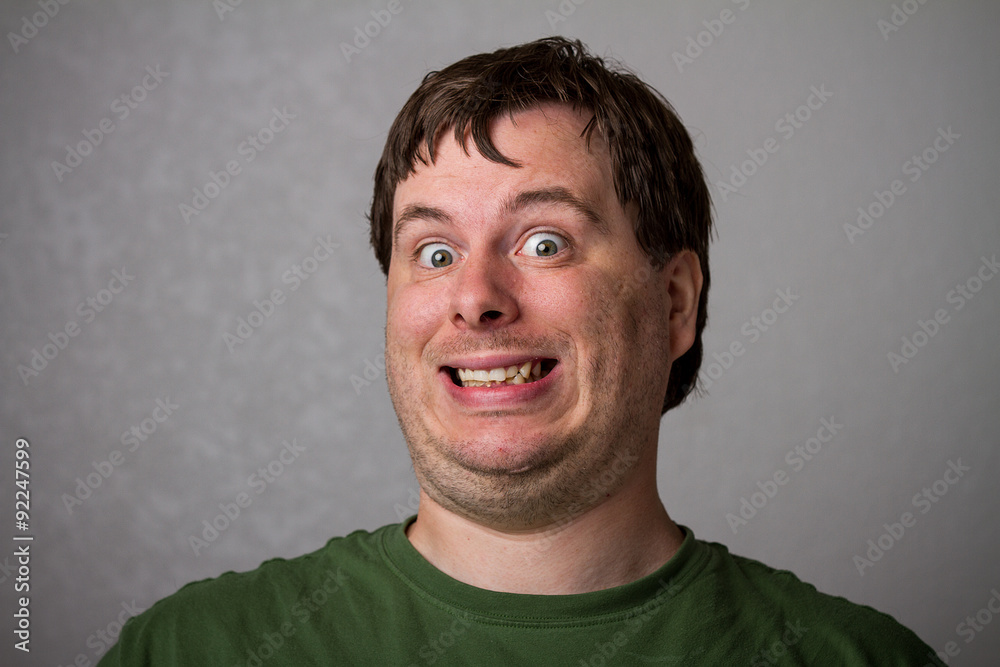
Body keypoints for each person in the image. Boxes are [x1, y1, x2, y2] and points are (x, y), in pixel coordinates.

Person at [99, 37, 939, 666]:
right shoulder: (189, 650)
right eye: (434, 252)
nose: (475, 297)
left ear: (674, 303)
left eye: (544, 242)